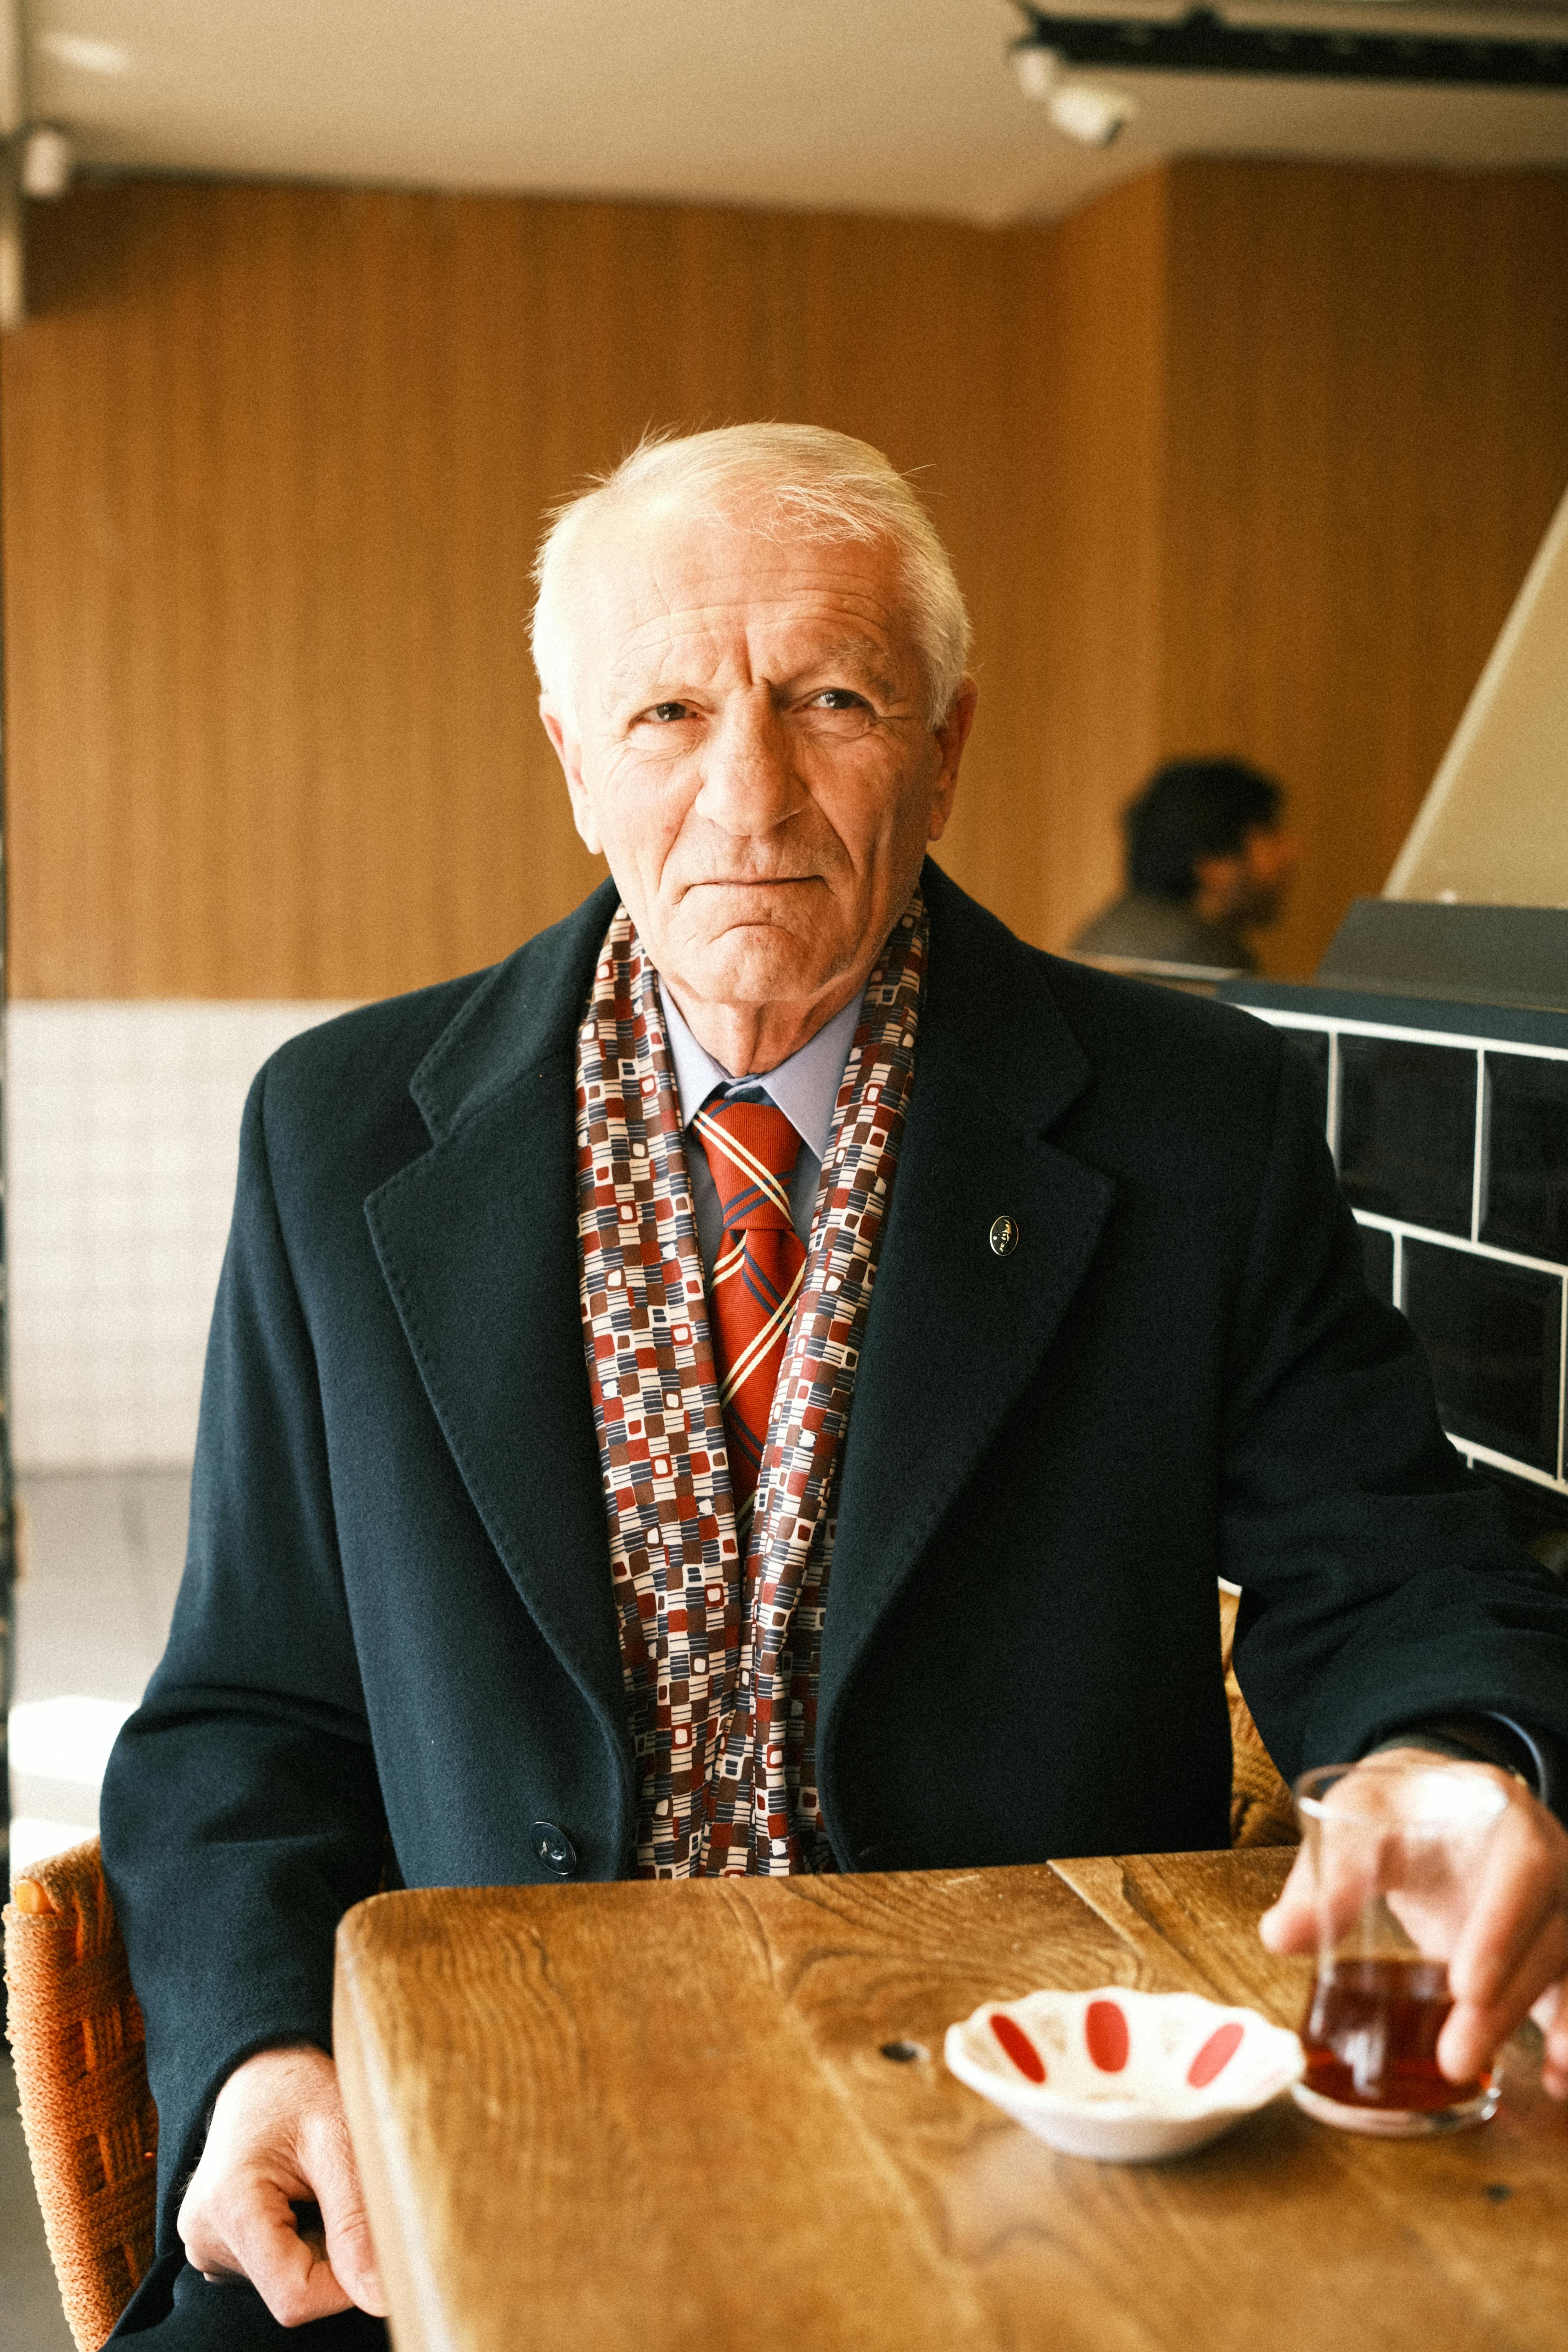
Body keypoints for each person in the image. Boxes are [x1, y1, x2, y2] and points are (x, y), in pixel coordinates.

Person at [101, 426, 1568, 2347]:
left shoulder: (1190, 1124)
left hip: (1023, 2133)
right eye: (668, 712)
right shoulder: (337, 1137)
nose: (750, 794)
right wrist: (260, 2054)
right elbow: (241, 1714)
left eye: (833, 701)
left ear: (947, 746)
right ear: (570, 758)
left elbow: (1392, 1563)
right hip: (473, 2119)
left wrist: (1452, 1760)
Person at [1072, 756, 1299, 973]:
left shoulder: (1107, 928)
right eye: (1270, 835)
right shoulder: (1205, 959)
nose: (1290, 852)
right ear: (1214, 866)